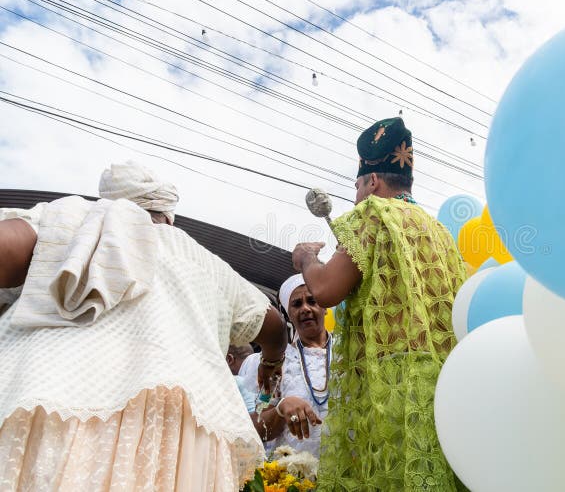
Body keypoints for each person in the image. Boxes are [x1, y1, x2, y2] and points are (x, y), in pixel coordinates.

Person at [0, 161, 288, 491]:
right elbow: (273, 326)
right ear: (166, 216)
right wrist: (272, 361)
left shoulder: (76, 217)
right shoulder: (200, 259)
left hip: (50, 410)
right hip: (180, 438)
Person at [292, 117, 467, 491]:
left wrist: (306, 260)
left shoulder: (373, 213)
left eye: (357, 186)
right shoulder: (437, 231)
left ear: (373, 181)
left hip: (392, 385)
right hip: (447, 384)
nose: (355, 197)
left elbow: (326, 290)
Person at [252, 274, 330, 458]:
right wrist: (281, 408)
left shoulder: (349, 354)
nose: (305, 308)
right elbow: (258, 425)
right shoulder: (274, 363)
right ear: (288, 314)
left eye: (312, 301)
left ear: (325, 307)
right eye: (296, 304)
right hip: (295, 479)